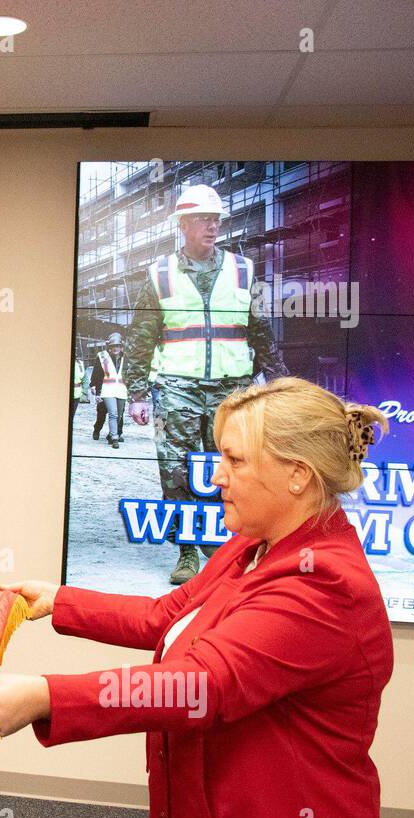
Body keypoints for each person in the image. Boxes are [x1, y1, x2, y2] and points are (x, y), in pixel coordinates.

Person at [0, 378, 394, 818]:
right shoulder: (253, 545)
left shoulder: (325, 582)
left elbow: (204, 685)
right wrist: (60, 600)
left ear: (298, 475)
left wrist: (45, 697)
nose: (216, 476)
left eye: (235, 460)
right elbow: (169, 616)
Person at [123, 184, 288, 584]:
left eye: (216, 220)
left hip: (232, 392)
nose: (212, 227)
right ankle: (186, 554)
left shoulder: (243, 269)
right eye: (202, 219)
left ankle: (224, 548)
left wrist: (280, 380)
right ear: (183, 224)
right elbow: (142, 334)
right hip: (177, 387)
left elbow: (260, 330)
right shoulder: (159, 274)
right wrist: (137, 392)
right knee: (176, 471)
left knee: (230, 471)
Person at [90, 332, 128, 449]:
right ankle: (112, 437)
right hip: (106, 390)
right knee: (110, 414)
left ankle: (112, 434)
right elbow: (96, 375)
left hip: (121, 391)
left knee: (119, 415)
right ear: (109, 347)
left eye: (118, 346)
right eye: (113, 346)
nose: (115, 348)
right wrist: (96, 391)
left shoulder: (126, 358)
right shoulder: (102, 356)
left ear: (121, 347)